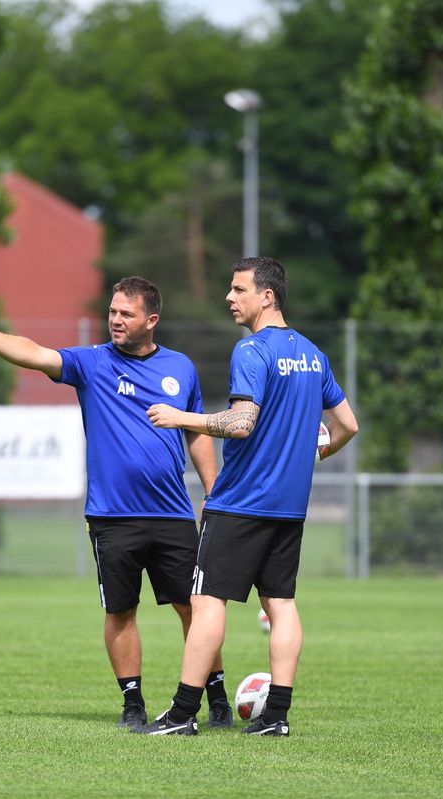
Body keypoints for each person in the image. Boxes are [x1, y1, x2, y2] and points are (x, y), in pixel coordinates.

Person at [0, 277, 233, 730]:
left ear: (151, 320)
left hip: (173, 513)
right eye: (113, 312)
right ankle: (132, 703)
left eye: (126, 314)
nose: (116, 320)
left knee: (195, 609)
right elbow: (35, 352)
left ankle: (214, 697)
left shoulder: (181, 368)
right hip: (112, 517)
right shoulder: (92, 364)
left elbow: (195, 430)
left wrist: (212, 490)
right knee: (120, 611)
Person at [140, 256, 359, 736]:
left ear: (267, 296)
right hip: (289, 507)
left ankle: (181, 714)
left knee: (206, 602)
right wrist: (314, 454)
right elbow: (348, 425)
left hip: (240, 503)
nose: (229, 297)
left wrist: (183, 418)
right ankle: (276, 717)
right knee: (280, 604)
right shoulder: (312, 355)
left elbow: (241, 423)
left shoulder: (252, 350)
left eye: (239, 289)